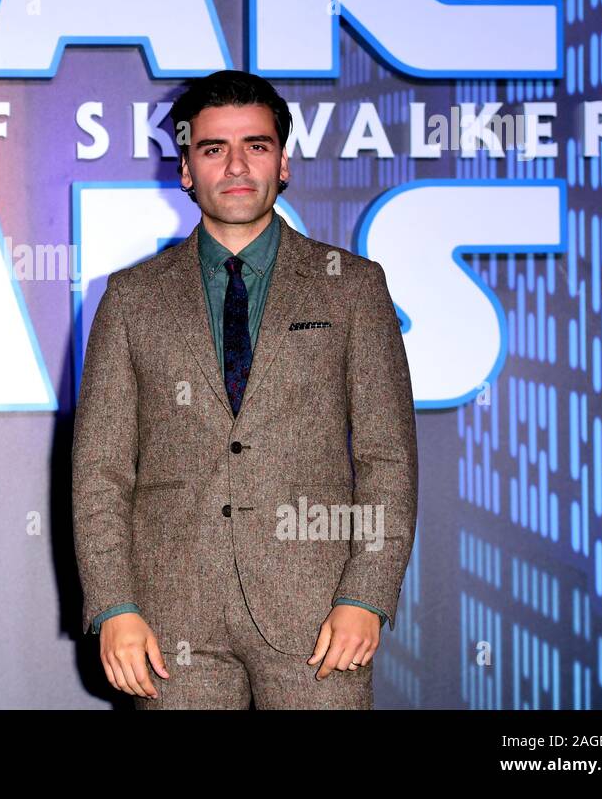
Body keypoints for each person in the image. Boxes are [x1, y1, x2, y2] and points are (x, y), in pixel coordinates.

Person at [71, 69, 417, 708]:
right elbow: (100, 469)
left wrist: (367, 594)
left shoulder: (352, 286)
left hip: (319, 615)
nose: (236, 165)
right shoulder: (130, 298)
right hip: (170, 620)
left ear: (283, 163)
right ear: (185, 170)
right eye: (212, 149)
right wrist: (114, 603)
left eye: (256, 146)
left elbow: (387, 458)